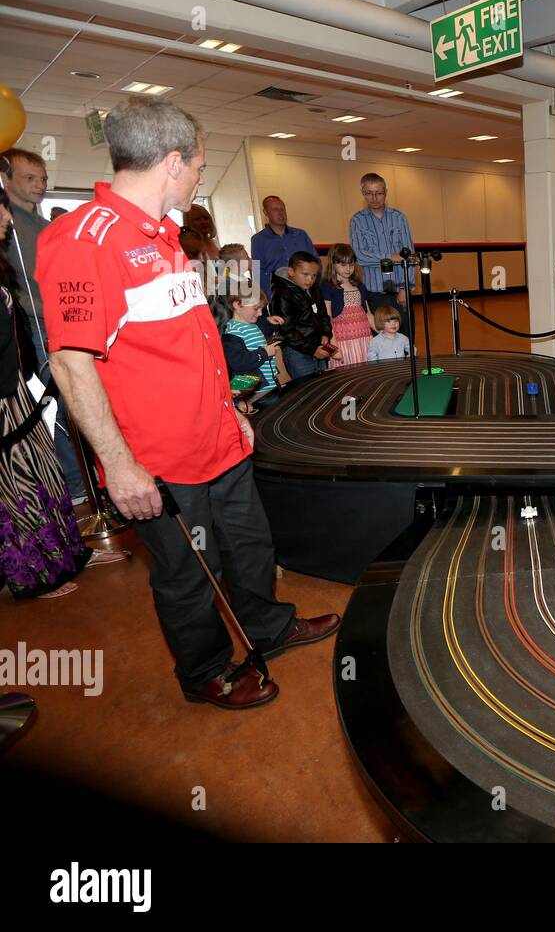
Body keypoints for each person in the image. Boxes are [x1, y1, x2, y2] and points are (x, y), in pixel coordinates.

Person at [38, 96, 338, 708]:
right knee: (187, 575)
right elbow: (71, 363)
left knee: (251, 543)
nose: (202, 176)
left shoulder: (169, 236)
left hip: (219, 438)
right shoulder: (82, 240)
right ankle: (205, 671)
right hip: (159, 459)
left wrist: (232, 414)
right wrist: (119, 465)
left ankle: (270, 627)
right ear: (173, 163)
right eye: (200, 165)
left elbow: (197, 342)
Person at [1, 186, 128, 599]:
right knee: (18, 490)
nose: (7, 221)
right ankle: (37, 574)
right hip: (3, 403)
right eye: (2, 212)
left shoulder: (3, 266)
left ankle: (71, 553)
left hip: (19, 392)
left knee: (48, 478)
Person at [1, 148, 85, 503]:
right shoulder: (9, 226)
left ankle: (81, 480)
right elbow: (16, 290)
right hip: (36, 331)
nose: (40, 185)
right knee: (53, 409)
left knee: (73, 405)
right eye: (30, 178)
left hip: (59, 326)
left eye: (43, 178)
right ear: (7, 180)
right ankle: (74, 484)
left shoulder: (44, 226)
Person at [348, 172, 412, 315]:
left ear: (386, 192)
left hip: (399, 292)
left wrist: (404, 289)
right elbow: (359, 256)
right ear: (362, 193)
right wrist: (389, 257)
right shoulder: (357, 221)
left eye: (379, 193)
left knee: (405, 337)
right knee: (379, 337)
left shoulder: (399, 218)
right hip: (374, 294)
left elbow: (408, 256)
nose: (374, 198)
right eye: (369, 193)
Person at [269, 251, 333, 379]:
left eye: (314, 276)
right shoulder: (282, 294)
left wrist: (325, 333)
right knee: (306, 389)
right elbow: (286, 329)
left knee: (323, 386)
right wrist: (311, 349)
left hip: (318, 347)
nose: (310, 280)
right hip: (297, 352)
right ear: (291, 272)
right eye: (305, 274)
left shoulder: (315, 290)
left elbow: (323, 316)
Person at [321, 243, 376, 368]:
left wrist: (383, 332)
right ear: (333, 264)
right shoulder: (327, 286)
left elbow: (367, 313)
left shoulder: (360, 286)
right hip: (342, 342)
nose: (348, 269)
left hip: (365, 339)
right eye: (343, 264)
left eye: (351, 264)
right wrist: (333, 346)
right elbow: (327, 318)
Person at [250, 195, 316, 298]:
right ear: (266, 212)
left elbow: (315, 262)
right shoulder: (258, 240)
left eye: (282, 209)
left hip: (305, 293)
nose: (280, 213)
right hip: (278, 295)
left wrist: (314, 289)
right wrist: (270, 297)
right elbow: (258, 272)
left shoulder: (301, 235)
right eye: (275, 209)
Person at [220, 289, 280, 396]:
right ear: (237, 305)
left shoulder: (251, 325)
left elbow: (255, 336)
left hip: (267, 386)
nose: (260, 313)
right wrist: (265, 353)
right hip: (254, 392)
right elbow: (238, 362)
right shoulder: (233, 332)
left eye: (262, 309)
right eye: (256, 309)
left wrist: (268, 322)